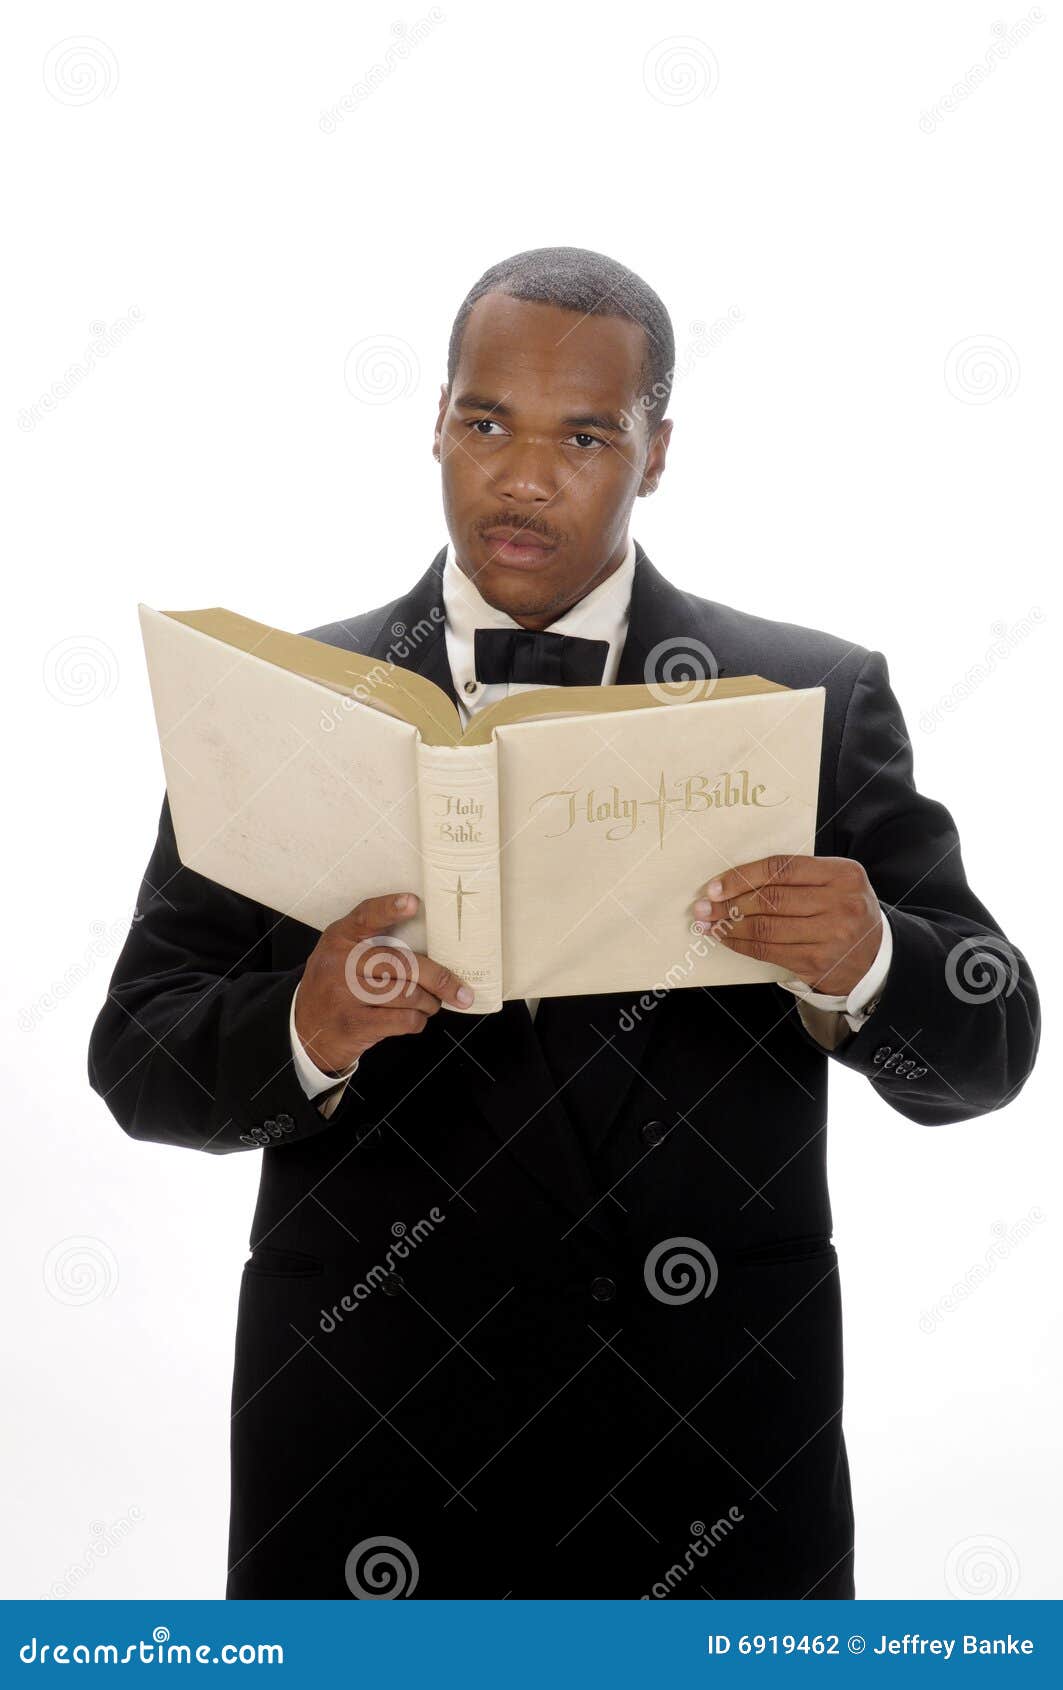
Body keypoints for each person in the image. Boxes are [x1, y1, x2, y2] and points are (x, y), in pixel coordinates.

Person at [87, 246, 1040, 1599]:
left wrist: (870, 959)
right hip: (364, 1456)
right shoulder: (282, 703)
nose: (523, 478)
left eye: (584, 437)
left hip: (710, 1463)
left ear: (657, 455)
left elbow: (994, 1044)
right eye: (488, 423)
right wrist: (309, 1024)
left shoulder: (813, 699)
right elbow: (138, 1052)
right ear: (437, 421)